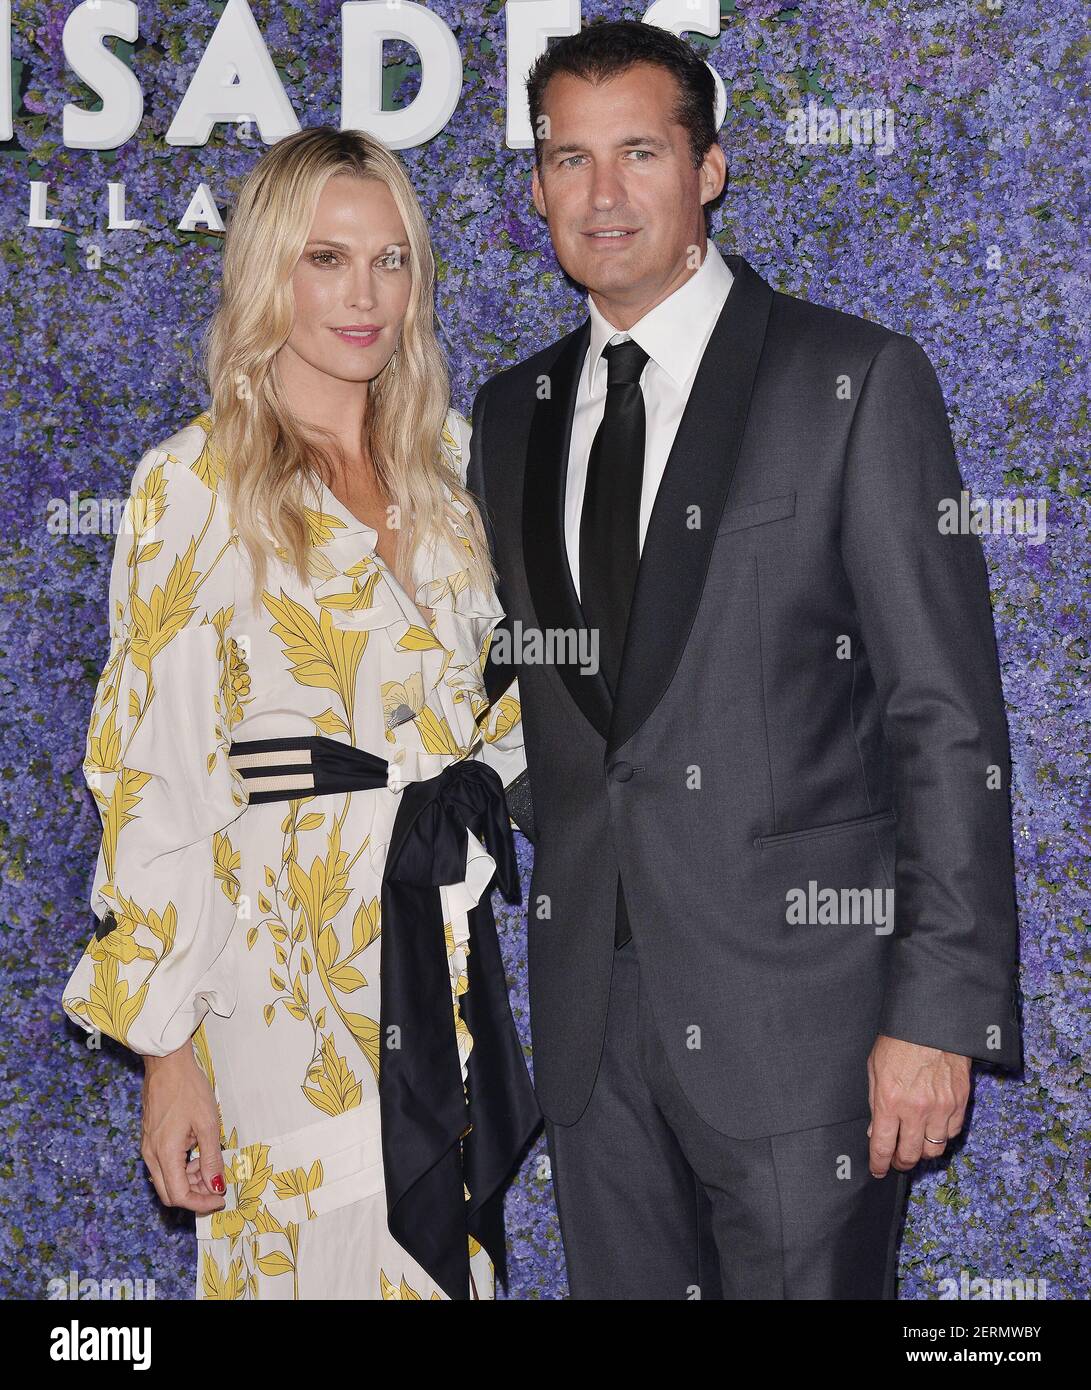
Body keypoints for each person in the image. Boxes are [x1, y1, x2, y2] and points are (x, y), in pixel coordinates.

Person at [468, 21, 1022, 1299]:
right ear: (538, 186)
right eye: (567, 159)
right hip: (594, 1042)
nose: (601, 195)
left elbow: (941, 717)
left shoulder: (849, 379)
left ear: (709, 169)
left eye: (639, 152)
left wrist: (937, 1008)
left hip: (805, 1030)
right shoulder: (509, 417)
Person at [61, 126, 539, 1301]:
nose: (363, 295)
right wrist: (167, 1055)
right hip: (278, 997)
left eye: (390, 261)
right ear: (268, 270)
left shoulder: (454, 468)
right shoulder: (194, 483)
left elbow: (515, 711)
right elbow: (150, 774)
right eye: (326, 258)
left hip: (442, 977)